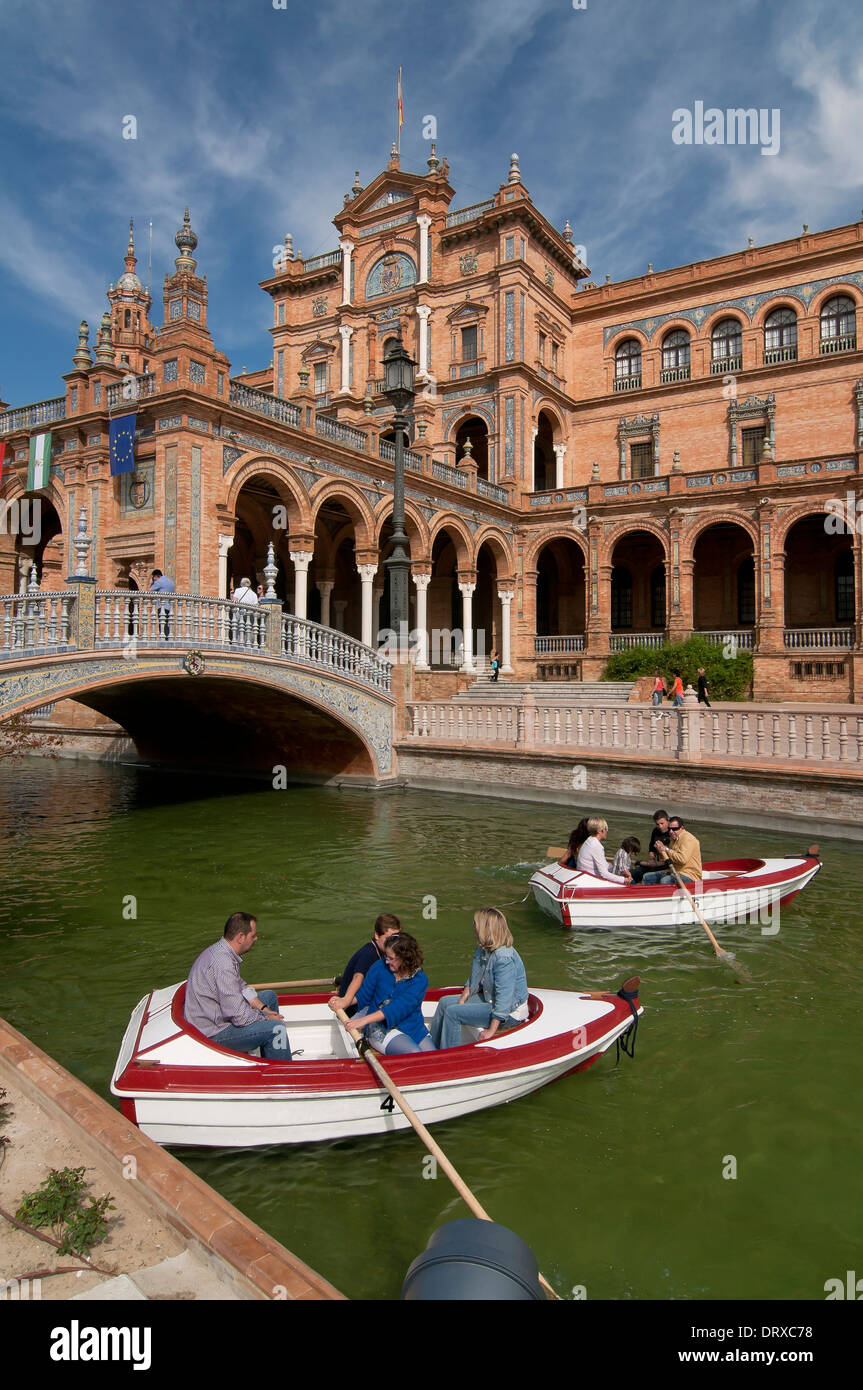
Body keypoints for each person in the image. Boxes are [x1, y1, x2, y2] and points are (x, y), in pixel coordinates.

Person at [184, 911, 291, 1060]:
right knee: (276, 1028)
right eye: (253, 936)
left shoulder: (222, 952)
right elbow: (239, 1016)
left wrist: (264, 1008)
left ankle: (270, 1057)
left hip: (217, 1017)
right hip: (213, 1033)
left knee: (269, 997)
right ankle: (281, 1076)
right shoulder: (223, 964)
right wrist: (266, 1018)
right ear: (241, 937)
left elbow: (241, 986)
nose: (256, 938)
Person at [429, 907, 529, 1050]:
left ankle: (448, 1058)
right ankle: (432, 1049)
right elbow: (474, 978)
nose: (473, 927)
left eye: (475, 924)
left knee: (453, 1013)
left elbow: (504, 999)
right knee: (445, 1002)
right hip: (489, 999)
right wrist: (463, 998)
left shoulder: (503, 958)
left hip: (509, 1012)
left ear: (485, 928)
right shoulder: (482, 949)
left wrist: (491, 1031)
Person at [348, 933, 434, 1055]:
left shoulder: (420, 980)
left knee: (432, 1056)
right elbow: (363, 996)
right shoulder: (379, 967)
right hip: (381, 1028)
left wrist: (363, 1020)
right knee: (413, 1052)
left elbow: (396, 1008)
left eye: (391, 958)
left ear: (404, 958)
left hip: (412, 1027)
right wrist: (345, 1001)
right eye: (386, 956)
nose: (387, 961)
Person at [328, 912, 401, 1017]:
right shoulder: (369, 953)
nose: (393, 944)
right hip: (351, 1011)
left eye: (396, 939)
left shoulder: (384, 952)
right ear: (377, 935)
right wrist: (345, 1000)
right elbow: (358, 977)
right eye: (388, 939)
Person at [642, 816, 702, 886]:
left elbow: (682, 859)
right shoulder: (673, 839)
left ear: (682, 828)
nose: (671, 831)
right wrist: (660, 851)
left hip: (690, 875)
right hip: (674, 871)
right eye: (669, 829)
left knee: (665, 881)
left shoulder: (689, 840)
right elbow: (668, 859)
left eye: (674, 829)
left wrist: (666, 849)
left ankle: (664, 895)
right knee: (647, 877)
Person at [576, 817, 631, 884]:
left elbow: (604, 865)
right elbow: (604, 874)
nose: (607, 830)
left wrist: (617, 868)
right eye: (606, 828)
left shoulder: (589, 840)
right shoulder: (596, 846)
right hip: (591, 880)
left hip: (584, 876)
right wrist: (624, 880)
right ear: (599, 831)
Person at [630, 809, 671, 883]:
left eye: (662, 823)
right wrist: (652, 859)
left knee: (646, 876)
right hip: (656, 864)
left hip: (667, 866)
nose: (660, 826)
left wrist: (656, 863)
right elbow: (651, 848)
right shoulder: (655, 831)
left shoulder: (672, 834)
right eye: (657, 824)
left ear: (668, 820)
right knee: (635, 872)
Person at [149, 568, 174, 639]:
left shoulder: (159, 581)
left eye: (154, 578)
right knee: (166, 624)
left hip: (162, 606)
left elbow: (149, 590)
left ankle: (164, 640)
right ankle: (168, 639)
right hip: (170, 607)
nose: (154, 579)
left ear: (156, 576)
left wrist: (152, 582)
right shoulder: (170, 582)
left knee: (162, 624)